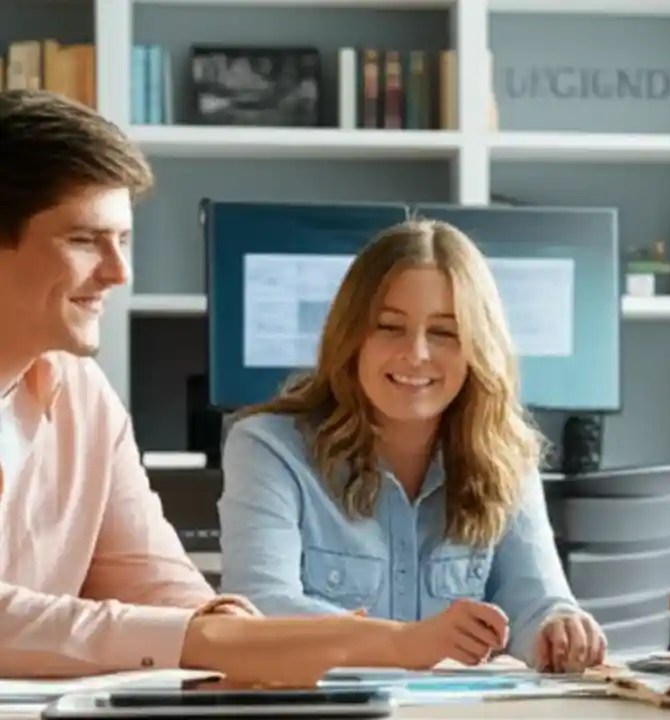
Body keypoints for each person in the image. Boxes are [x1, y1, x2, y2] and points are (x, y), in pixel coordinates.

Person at [0, 88, 517, 685]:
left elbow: (147, 573)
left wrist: (237, 629)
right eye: (84, 240)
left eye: (124, 240)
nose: (120, 273)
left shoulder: (84, 397)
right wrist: (211, 639)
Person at [217, 219, 606, 673]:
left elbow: (535, 598)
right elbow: (260, 614)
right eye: (389, 327)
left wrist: (559, 628)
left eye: (443, 332)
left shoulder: (506, 454)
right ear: (352, 337)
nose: (416, 353)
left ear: (477, 347)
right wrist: (403, 642)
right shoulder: (267, 448)